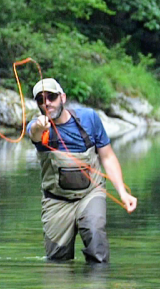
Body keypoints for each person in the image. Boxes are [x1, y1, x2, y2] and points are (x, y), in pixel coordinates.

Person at [26, 78, 137, 263]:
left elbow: (107, 156)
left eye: (51, 97)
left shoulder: (89, 118)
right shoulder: (37, 127)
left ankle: (95, 288)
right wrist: (39, 126)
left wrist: (123, 193)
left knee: (95, 236)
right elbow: (33, 133)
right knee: (57, 263)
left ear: (63, 97)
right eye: (40, 99)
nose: (46, 103)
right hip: (56, 201)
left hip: (90, 193)